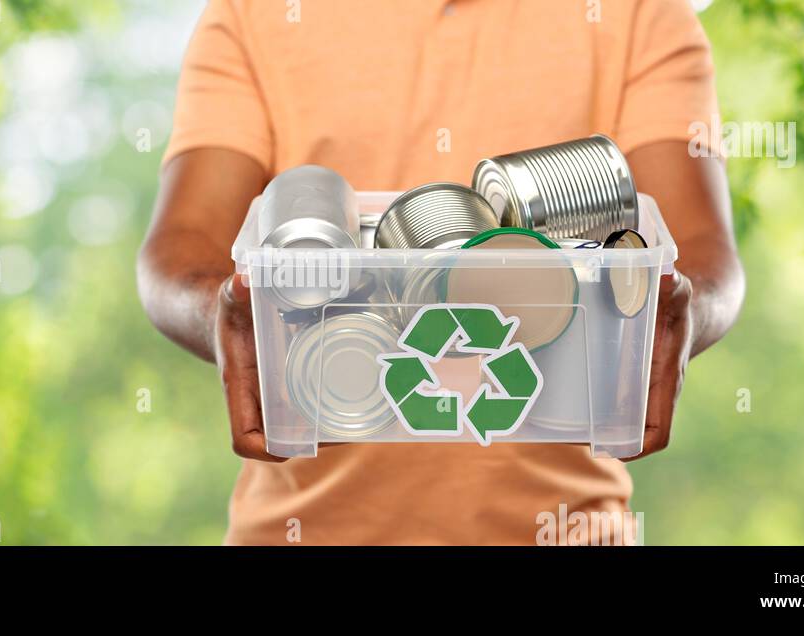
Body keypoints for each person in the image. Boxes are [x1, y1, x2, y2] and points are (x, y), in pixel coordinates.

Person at [137, 0, 745, 545]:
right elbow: (182, 246)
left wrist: (673, 310)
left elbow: (698, 254)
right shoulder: (254, 13)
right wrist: (223, 309)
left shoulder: (641, 12)